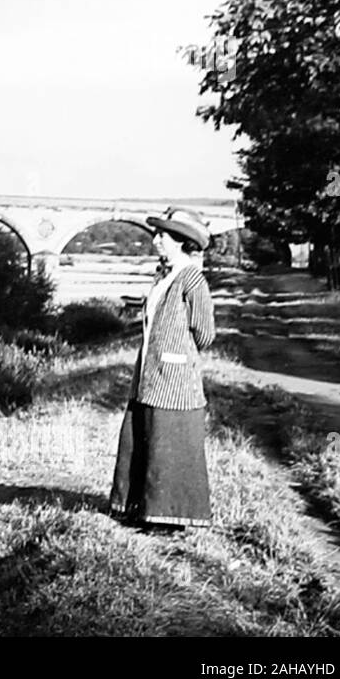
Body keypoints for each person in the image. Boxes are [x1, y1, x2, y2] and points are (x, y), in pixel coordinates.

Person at [109, 207, 216, 531]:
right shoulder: (165, 276)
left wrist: (177, 352)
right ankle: (140, 508)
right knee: (146, 436)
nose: (156, 240)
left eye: (162, 235)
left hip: (174, 378)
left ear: (181, 241)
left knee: (169, 440)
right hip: (149, 373)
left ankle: (168, 517)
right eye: (157, 234)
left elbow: (205, 332)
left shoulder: (192, 279)